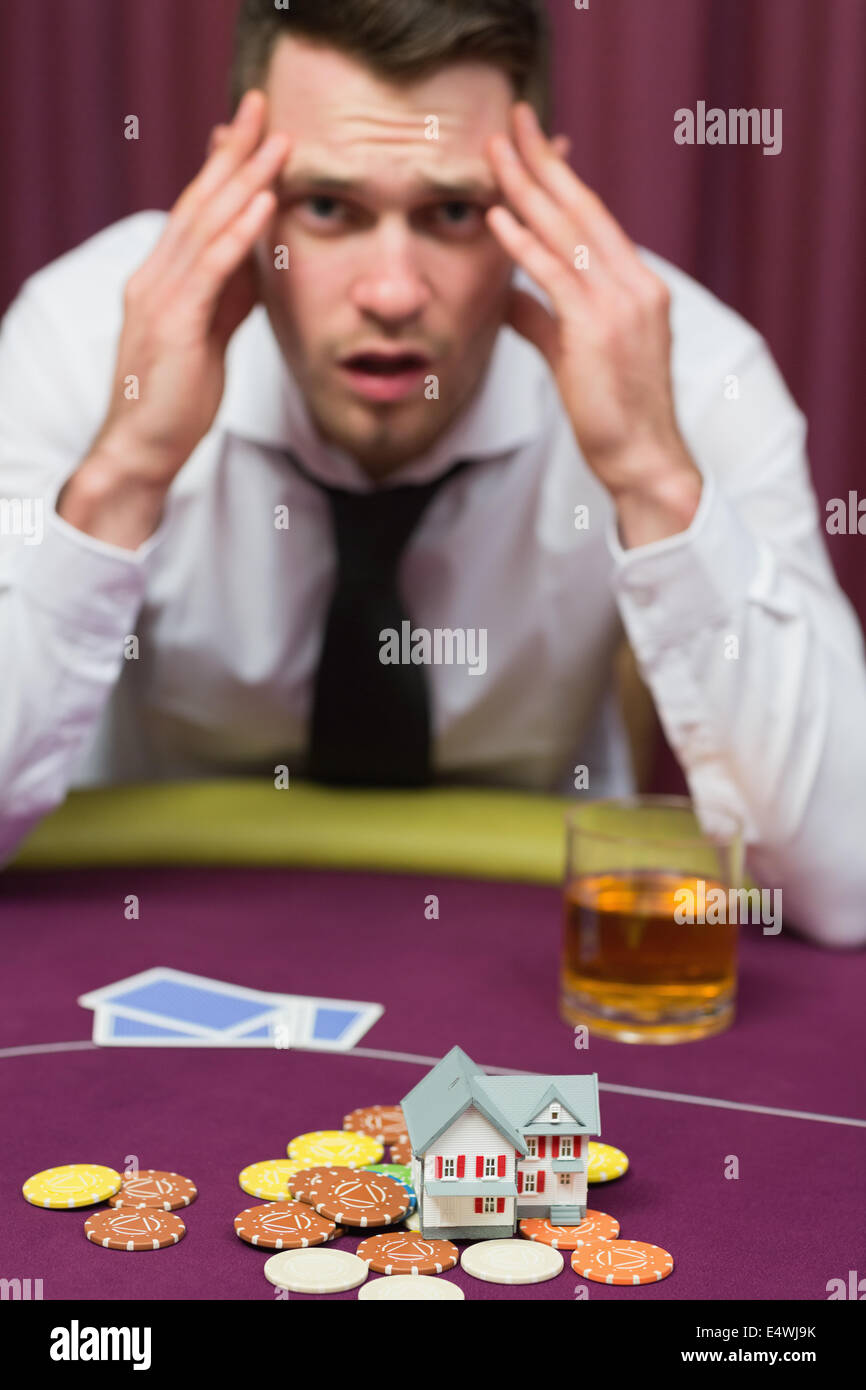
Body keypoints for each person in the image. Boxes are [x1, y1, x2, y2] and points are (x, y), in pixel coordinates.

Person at [1, 0, 864, 946]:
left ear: (538, 196)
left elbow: (845, 881)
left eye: (452, 212)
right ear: (233, 187)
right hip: (153, 914)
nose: (392, 293)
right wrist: (124, 472)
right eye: (329, 207)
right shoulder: (85, 341)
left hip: (531, 943)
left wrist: (655, 476)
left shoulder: (688, 368)